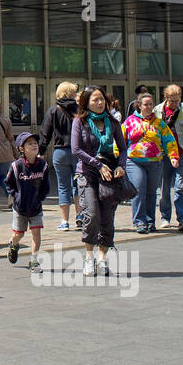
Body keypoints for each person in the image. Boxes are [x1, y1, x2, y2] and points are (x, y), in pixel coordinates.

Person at [71, 85, 127, 278]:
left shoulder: (112, 121)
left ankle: (102, 258)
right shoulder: (80, 122)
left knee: (107, 218)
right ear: (86, 102)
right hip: (88, 173)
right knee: (91, 214)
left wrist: (121, 166)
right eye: (95, 100)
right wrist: (97, 164)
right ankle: (89, 257)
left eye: (102, 99)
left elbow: (123, 148)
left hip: (109, 174)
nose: (99, 102)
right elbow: (76, 149)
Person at [123, 93, 179, 234]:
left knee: (151, 193)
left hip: (155, 162)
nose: (149, 107)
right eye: (146, 104)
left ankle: (150, 221)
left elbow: (169, 140)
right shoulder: (130, 121)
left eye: (150, 104)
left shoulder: (159, 123)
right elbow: (119, 139)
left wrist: (173, 156)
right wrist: (117, 158)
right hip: (135, 161)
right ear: (139, 106)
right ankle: (139, 222)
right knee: (138, 189)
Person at [4, 132, 50, 273]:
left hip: (36, 206)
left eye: (35, 143)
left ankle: (34, 260)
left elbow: (45, 185)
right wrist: (15, 196)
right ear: (22, 148)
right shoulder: (16, 166)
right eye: (29, 143)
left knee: (36, 233)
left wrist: (40, 197)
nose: (34, 145)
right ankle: (13, 245)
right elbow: (8, 183)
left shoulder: (42, 165)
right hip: (20, 207)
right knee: (19, 234)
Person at [154, 85, 183, 230]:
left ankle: (182, 217)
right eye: (171, 101)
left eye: (177, 101)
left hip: (181, 153)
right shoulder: (158, 110)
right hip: (164, 155)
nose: (174, 104)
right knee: (165, 188)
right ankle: (165, 217)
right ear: (166, 98)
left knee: (179, 187)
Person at [40, 82, 79, 231]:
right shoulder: (79, 110)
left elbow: (45, 133)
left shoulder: (53, 110)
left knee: (63, 186)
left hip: (60, 152)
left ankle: (64, 221)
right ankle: (80, 216)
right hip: (78, 152)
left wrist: (41, 151)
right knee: (79, 184)